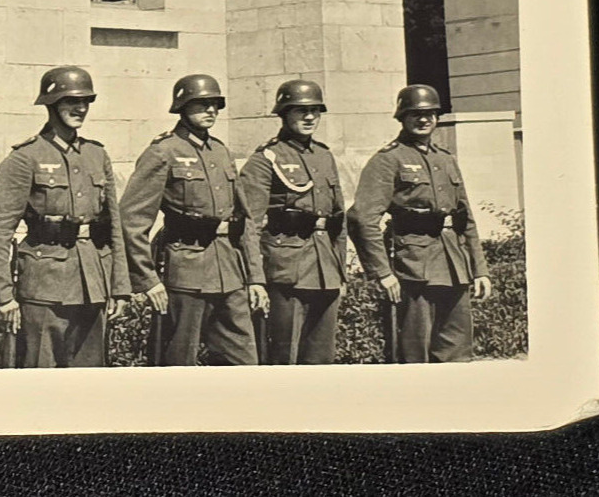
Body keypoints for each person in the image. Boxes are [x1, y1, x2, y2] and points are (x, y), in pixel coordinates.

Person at [0, 66, 130, 368]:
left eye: (85, 101)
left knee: (90, 378)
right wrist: (3, 295)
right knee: (42, 373)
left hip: (93, 282)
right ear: (51, 104)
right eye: (70, 101)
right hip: (44, 286)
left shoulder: (95, 155)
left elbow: (114, 226)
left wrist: (119, 287)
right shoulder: (25, 157)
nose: (80, 108)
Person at [118, 73, 264, 365]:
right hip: (187, 273)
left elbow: (244, 219)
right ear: (182, 107)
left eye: (214, 104)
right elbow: (131, 220)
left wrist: (255, 277)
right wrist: (148, 280)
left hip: (230, 273)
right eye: (201, 104)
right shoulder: (163, 152)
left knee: (245, 363)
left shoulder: (221, 152)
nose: (210, 110)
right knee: (179, 362)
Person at [347, 84, 493, 363]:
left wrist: (479, 269)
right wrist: (382, 273)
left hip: (454, 267)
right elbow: (361, 218)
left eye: (430, 113)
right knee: (414, 353)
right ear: (401, 117)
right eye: (415, 113)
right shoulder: (388, 160)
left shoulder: (445, 159)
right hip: (413, 268)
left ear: (437, 117)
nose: (424, 119)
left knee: (457, 351)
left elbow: (466, 218)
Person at [238, 79, 347, 364]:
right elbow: (250, 223)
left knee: (321, 358)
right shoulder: (266, 158)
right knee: (283, 357)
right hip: (287, 271)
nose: (310, 117)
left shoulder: (324, 156)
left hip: (325, 270)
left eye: (315, 110)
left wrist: (340, 270)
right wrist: (256, 278)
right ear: (284, 114)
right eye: (300, 111)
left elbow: (338, 220)